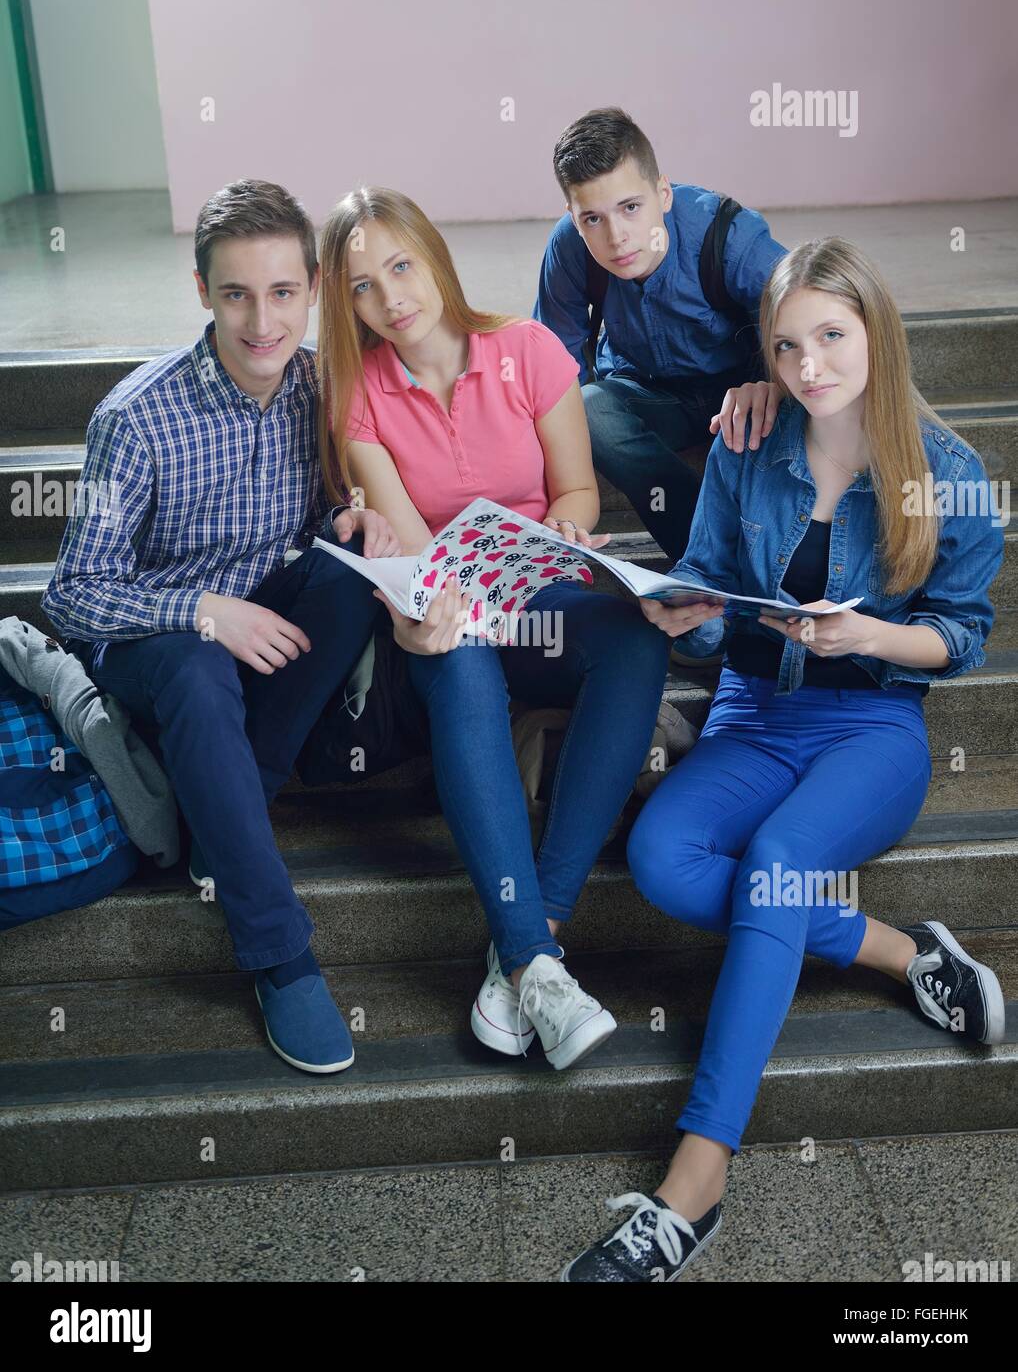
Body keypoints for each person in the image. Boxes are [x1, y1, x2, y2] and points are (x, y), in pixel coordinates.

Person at [561, 235, 1006, 1281]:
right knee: (664, 852)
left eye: (832, 336)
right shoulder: (746, 445)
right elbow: (713, 583)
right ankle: (904, 952)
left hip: (871, 723)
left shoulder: (945, 473)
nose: (810, 366)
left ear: (875, 331)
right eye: (788, 345)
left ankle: (694, 1178)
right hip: (754, 711)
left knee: (779, 855)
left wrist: (867, 638)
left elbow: (962, 633)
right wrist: (688, 614)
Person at [42, 179, 403, 1076]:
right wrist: (201, 611)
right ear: (202, 291)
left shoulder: (318, 385)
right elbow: (71, 593)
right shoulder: (132, 418)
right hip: (156, 649)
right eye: (236, 293)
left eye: (283, 293)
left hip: (263, 633)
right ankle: (279, 954)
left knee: (351, 577)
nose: (262, 322)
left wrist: (350, 521)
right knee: (199, 672)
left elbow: (322, 521)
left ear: (313, 288)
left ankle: (223, 807)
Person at [316, 185, 679, 1069]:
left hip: (541, 595)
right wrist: (424, 612)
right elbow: (405, 542)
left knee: (636, 634)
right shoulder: (360, 393)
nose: (391, 297)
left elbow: (577, 489)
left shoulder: (528, 350)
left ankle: (531, 938)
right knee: (456, 640)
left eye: (402, 266)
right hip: (444, 622)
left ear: (435, 254)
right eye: (363, 286)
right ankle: (534, 961)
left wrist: (564, 525)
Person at [533, 106, 788, 582]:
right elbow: (553, 370)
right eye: (592, 218)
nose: (616, 236)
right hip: (645, 393)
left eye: (631, 208)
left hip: (739, 397)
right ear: (572, 215)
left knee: (805, 405)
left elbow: (810, 316)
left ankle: (753, 561)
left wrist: (772, 382)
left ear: (663, 194)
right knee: (586, 408)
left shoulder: (726, 234)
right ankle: (707, 560)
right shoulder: (569, 247)